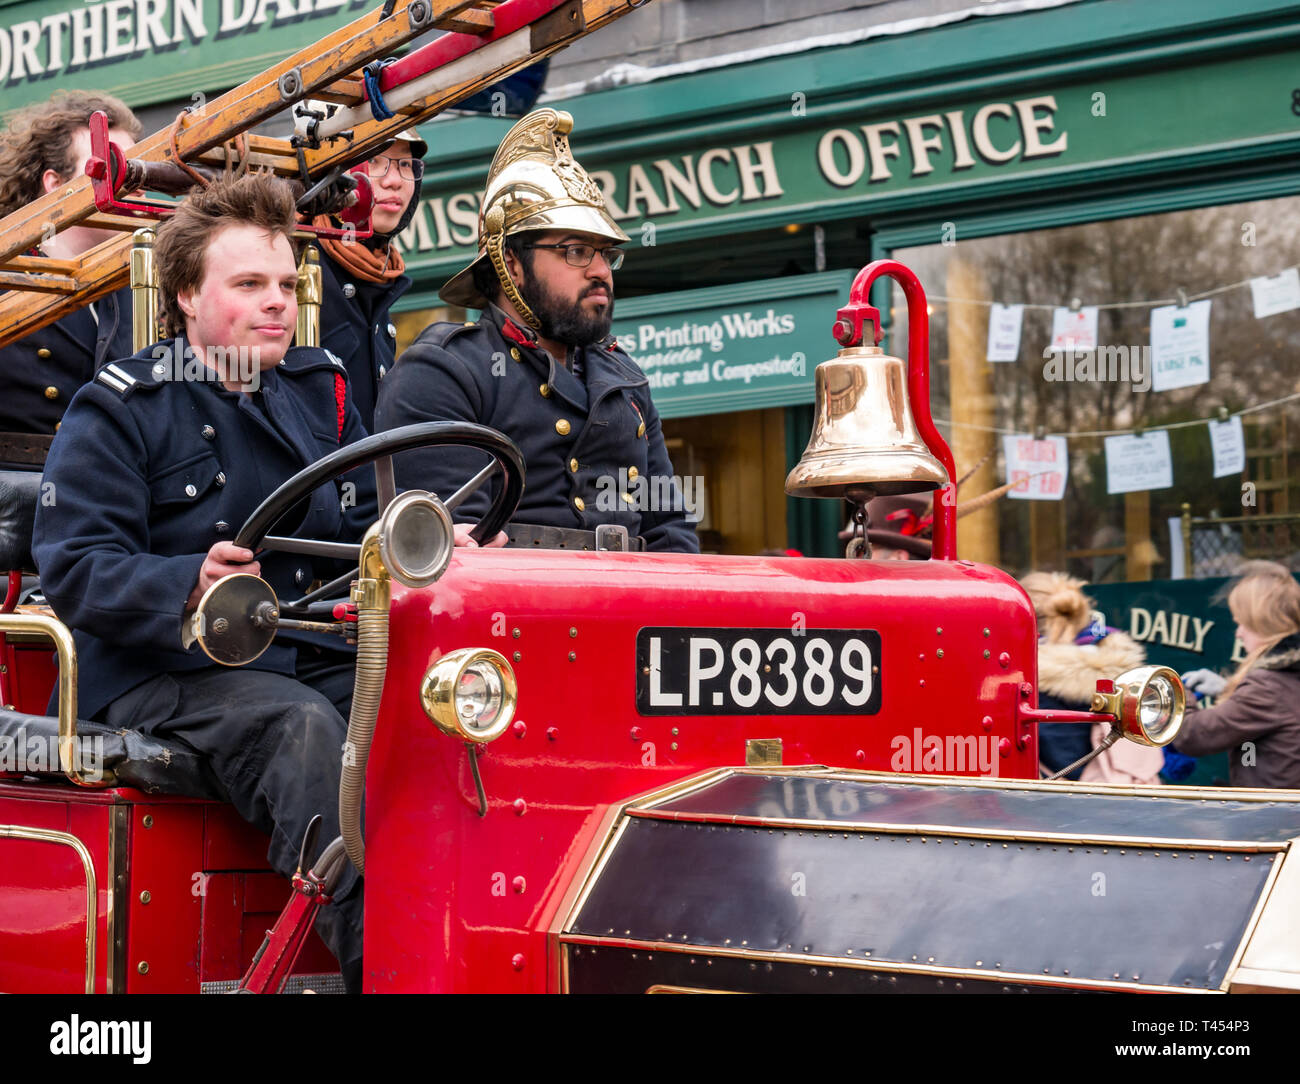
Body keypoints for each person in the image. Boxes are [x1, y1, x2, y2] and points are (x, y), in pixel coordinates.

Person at [32, 173, 383, 991]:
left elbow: (366, 522)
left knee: (439, 710)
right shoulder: (121, 406)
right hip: (159, 670)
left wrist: (434, 546)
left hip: (297, 651)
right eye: (250, 284)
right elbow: (76, 567)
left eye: (287, 285)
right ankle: (390, 971)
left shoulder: (321, 390)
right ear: (187, 294)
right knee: (297, 729)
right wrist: (186, 582)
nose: (277, 304)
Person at [375, 108, 699, 554]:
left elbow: (672, 532)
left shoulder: (626, 378)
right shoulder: (443, 371)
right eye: (577, 251)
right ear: (512, 264)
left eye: (606, 254)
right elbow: (454, 558)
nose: (601, 270)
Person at [0, 91, 141, 466]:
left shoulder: (144, 286)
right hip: (25, 493)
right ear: (56, 184)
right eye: (114, 167)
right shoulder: (7, 279)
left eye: (137, 166)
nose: (137, 182)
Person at [314, 128, 427, 431]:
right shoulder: (297, 263)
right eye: (375, 161)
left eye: (405, 165)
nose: (395, 181)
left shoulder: (377, 275)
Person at [1020, 571, 1163, 785]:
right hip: (1132, 786)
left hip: (1073, 798)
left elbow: (1061, 758)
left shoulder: (1037, 678)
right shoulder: (1119, 661)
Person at [1176, 561, 1300, 788]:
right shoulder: (1283, 679)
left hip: (1272, 819)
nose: (1239, 634)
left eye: (1242, 624)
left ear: (1262, 622)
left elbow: (1192, 736)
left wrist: (1175, 694)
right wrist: (1228, 690)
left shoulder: (1266, 688)